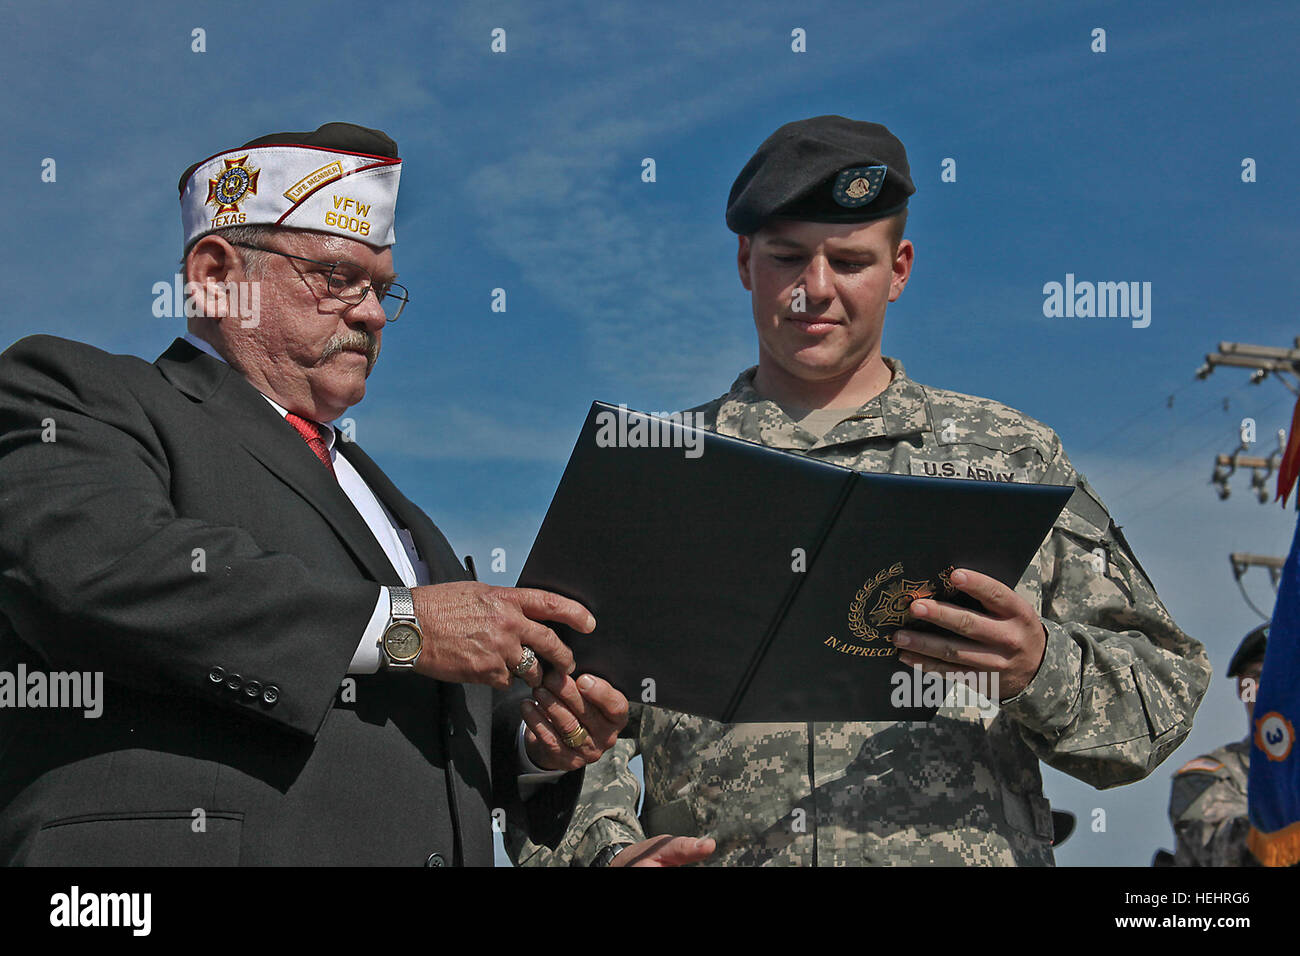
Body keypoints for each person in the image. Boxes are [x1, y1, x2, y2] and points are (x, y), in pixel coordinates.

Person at [508, 115, 1210, 867]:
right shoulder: (657, 472)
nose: (816, 289)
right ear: (745, 261)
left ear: (899, 269)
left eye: (849, 261)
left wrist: (1036, 669)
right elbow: (557, 723)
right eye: (787, 258)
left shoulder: (1011, 456)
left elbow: (1160, 698)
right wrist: (607, 855)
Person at [0, 122, 628, 866]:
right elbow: (95, 569)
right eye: (334, 278)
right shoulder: (78, 392)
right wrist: (405, 627)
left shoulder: (397, 512)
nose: (368, 313)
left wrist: (533, 740)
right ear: (212, 272)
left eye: (382, 289)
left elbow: (429, 709)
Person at [1166, 625, 1266, 866]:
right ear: (1246, 688)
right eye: (1263, 676)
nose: (1279, 687)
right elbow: (1215, 851)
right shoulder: (1211, 775)